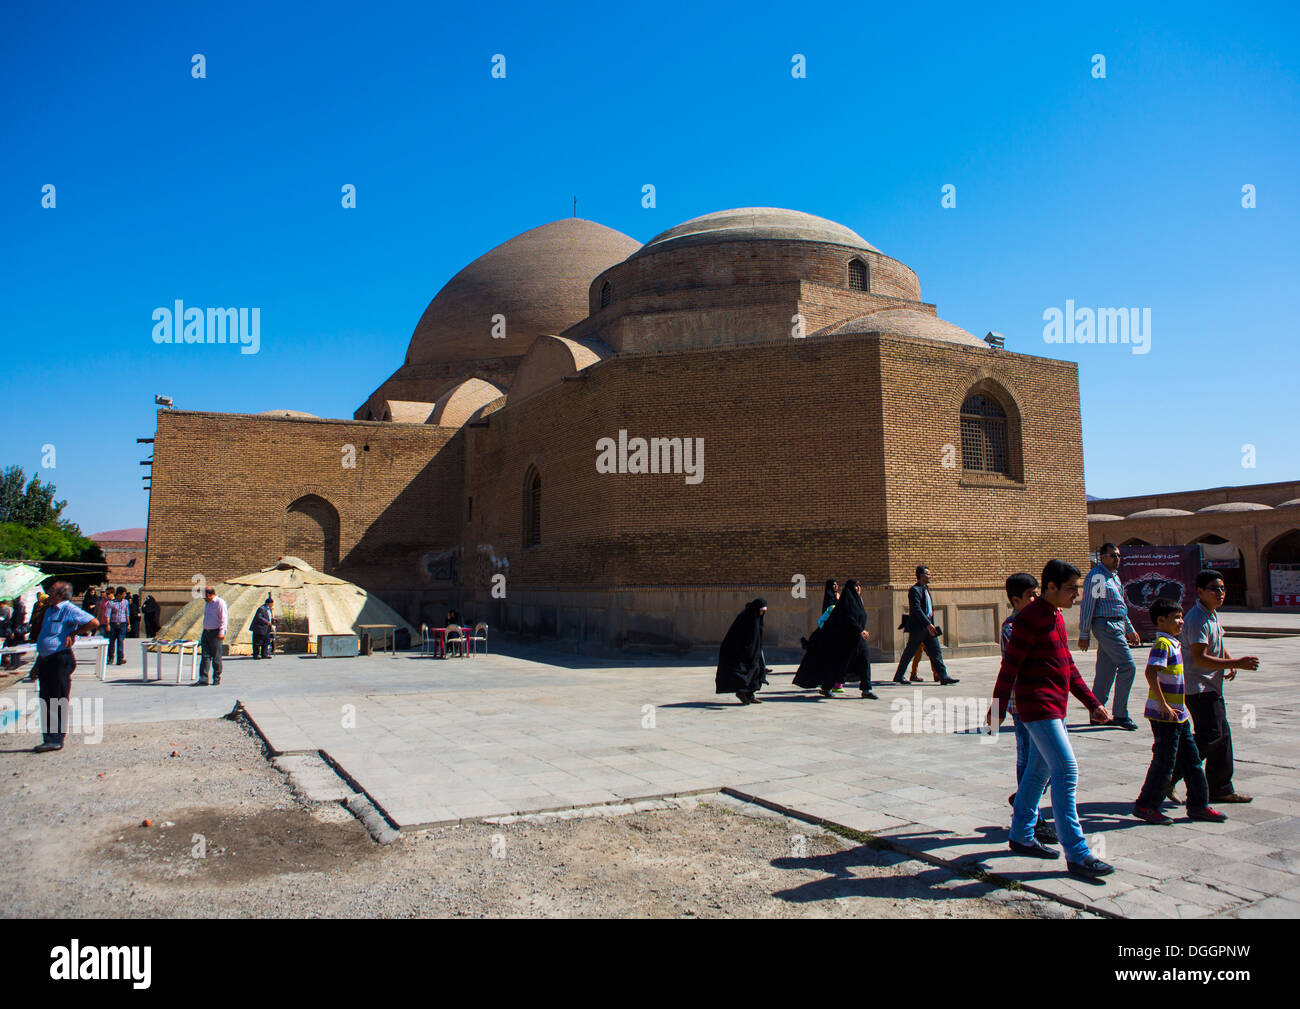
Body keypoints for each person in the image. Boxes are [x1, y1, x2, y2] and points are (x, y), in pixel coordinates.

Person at [992, 559, 1114, 881]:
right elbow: (1009, 669)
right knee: (1066, 769)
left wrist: (1093, 704)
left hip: (1054, 708)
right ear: (1051, 587)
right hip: (1037, 708)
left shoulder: (1056, 617)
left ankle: (1020, 835)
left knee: (1038, 771)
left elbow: (1068, 667)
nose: (1077, 594)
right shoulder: (1028, 620)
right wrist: (995, 711)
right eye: (1072, 588)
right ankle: (1077, 853)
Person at [1133, 597, 1227, 825]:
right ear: (1161, 620)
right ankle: (1146, 805)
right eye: (1176, 617)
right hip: (1164, 715)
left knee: (1192, 760)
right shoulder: (1163, 645)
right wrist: (1164, 704)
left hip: (1179, 714)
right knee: (1164, 761)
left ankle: (1198, 806)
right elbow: (1150, 673)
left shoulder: (1174, 643)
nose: (1181, 621)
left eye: (1181, 616)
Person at [1172, 569, 1259, 804]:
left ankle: (1219, 787)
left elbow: (1216, 641)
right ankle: (1170, 777)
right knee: (1210, 736)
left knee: (1220, 736)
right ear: (1200, 591)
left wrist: (1228, 658)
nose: (1220, 593)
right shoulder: (1197, 618)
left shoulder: (1210, 614)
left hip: (1211, 686)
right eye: (1214, 588)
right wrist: (1237, 663)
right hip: (1198, 687)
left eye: (1222, 588)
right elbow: (1200, 658)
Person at [989, 572, 1057, 845]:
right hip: (1024, 705)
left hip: (1047, 703)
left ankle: (1024, 799)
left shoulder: (1042, 620)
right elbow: (1012, 669)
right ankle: (1033, 817)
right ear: (1015, 600)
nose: (1035, 599)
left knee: (1052, 762)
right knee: (1030, 760)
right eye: (1030, 596)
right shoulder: (1012, 628)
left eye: (1036, 594)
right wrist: (997, 711)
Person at [1078, 543, 1141, 730]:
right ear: (1102, 557)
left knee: (1106, 671)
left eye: (1119, 556)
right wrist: (1084, 633)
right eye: (1113, 555)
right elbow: (1089, 605)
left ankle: (1096, 712)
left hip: (1117, 625)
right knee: (1128, 667)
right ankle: (1120, 714)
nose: (1117, 559)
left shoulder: (1113, 577)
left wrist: (1129, 628)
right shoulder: (1098, 577)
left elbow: (1120, 606)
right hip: (1106, 626)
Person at [32, 581, 99, 752]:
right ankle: (48, 737)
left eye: (52, 590)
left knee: (57, 698)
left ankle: (56, 739)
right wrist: (37, 664)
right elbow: (47, 637)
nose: (48, 592)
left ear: (61, 594)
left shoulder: (68, 609)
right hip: (46, 659)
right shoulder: (49, 611)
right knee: (46, 698)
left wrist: (73, 632)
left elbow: (94, 622)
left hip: (60, 659)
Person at [794, 579, 875, 699]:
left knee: (864, 660)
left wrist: (862, 630)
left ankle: (866, 689)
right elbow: (848, 618)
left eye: (859, 586)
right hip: (845, 640)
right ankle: (827, 687)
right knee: (839, 665)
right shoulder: (845, 603)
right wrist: (860, 630)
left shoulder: (857, 602)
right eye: (855, 586)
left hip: (857, 639)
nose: (858, 588)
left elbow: (859, 618)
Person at [894, 565, 958, 685]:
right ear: (921, 575)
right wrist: (928, 624)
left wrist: (931, 624)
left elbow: (928, 609)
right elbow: (916, 609)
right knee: (910, 652)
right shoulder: (914, 590)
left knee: (936, 651)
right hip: (919, 628)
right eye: (928, 574)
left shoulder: (926, 589)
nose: (930, 576)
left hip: (929, 627)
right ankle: (899, 676)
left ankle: (943, 676)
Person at [715, 598, 769, 704]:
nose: (762, 613)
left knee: (757, 671)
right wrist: (746, 650)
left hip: (754, 652)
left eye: (764, 611)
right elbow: (736, 637)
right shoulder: (745, 618)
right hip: (741, 652)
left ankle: (750, 695)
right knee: (743, 673)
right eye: (761, 610)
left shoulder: (757, 619)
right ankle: (741, 692)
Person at [197, 586, 227, 686]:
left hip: (216, 632)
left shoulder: (219, 603)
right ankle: (203, 678)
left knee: (216, 656)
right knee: (205, 655)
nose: (205, 599)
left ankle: (217, 677)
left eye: (205, 596)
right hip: (206, 631)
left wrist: (222, 632)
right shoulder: (208, 604)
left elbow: (223, 618)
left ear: (210, 594)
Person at [105, 587, 129, 665]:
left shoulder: (125, 602)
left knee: (120, 641)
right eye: (123, 594)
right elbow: (107, 614)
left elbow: (127, 613)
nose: (124, 596)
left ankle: (120, 658)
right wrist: (108, 624)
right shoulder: (111, 603)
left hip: (122, 624)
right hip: (113, 624)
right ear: (119, 594)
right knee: (112, 641)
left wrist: (128, 624)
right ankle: (110, 657)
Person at [251, 595, 275, 659]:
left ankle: (264, 654)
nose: (272, 605)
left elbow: (269, 617)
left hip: (266, 628)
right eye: (272, 603)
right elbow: (259, 617)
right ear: (268, 603)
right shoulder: (261, 608)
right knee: (258, 642)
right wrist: (267, 622)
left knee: (266, 641)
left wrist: (273, 620)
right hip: (260, 628)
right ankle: (256, 655)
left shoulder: (269, 609)